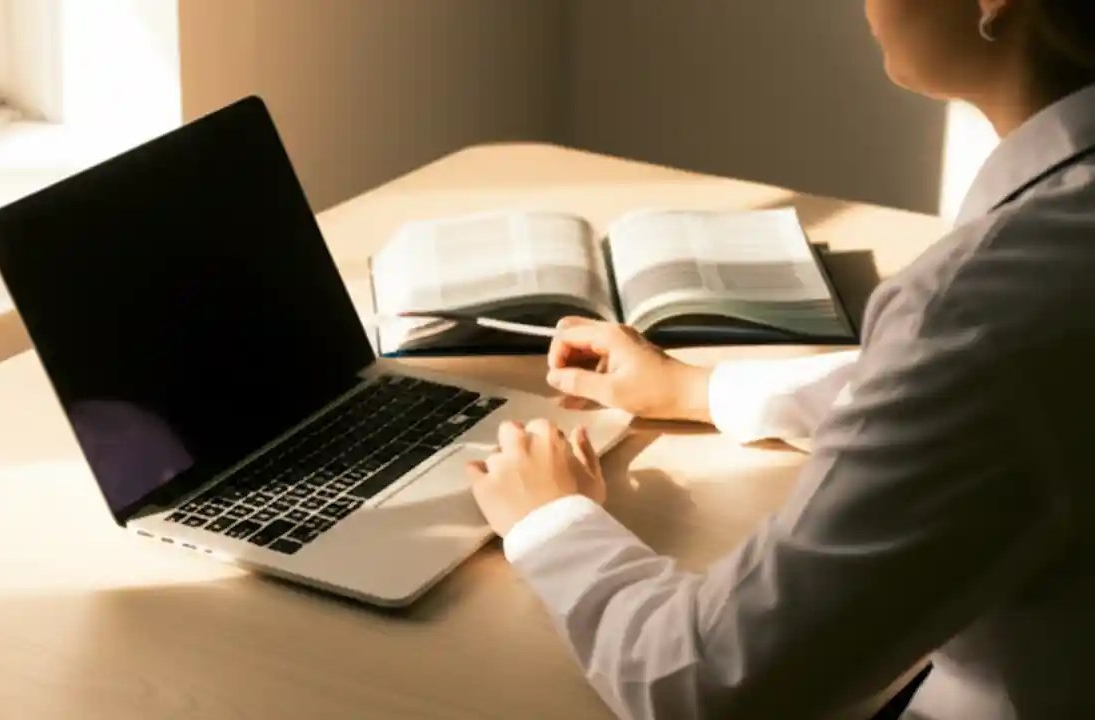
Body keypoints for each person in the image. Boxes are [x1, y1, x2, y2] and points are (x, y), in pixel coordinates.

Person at [465, 1, 1095, 717]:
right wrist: (702, 390)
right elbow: (1004, 396)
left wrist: (552, 522)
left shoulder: (987, 301)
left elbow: (709, 683)